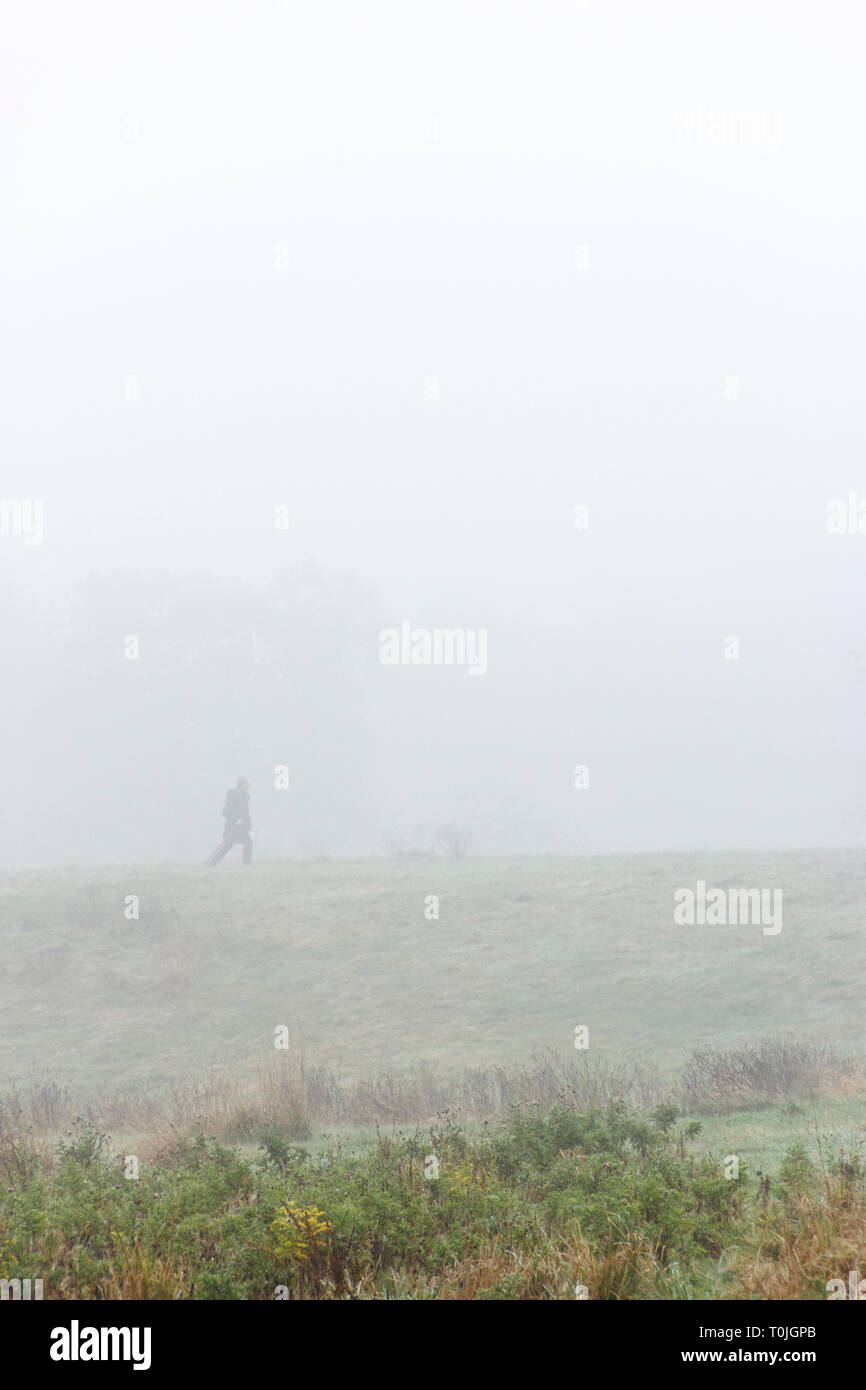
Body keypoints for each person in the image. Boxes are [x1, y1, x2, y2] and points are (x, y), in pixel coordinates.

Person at [206, 776, 252, 866]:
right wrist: (236, 819)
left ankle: (247, 866)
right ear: (241, 784)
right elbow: (226, 811)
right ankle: (211, 865)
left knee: (248, 842)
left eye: (247, 783)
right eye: (245, 783)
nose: (248, 785)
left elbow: (246, 813)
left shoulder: (246, 796)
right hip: (232, 825)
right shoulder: (232, 794)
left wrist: (249, 825)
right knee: (227, 845)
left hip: (243, 826)